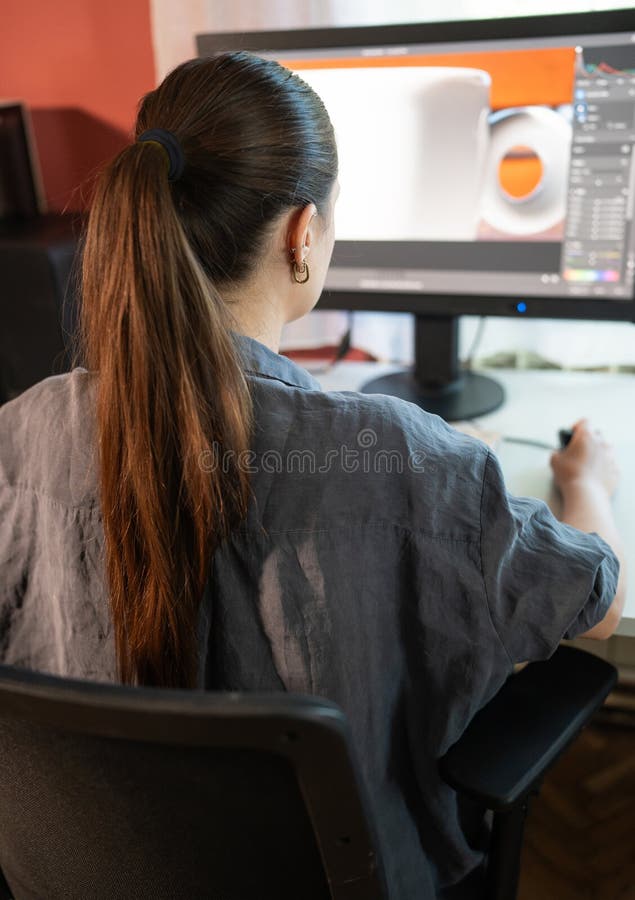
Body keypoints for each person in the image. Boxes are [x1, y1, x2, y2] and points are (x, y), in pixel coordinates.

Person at [0, 51, 626, 899]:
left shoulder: (22, 429)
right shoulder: (400, 457)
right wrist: (585, 482)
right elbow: (597, 603)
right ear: (303, 233)